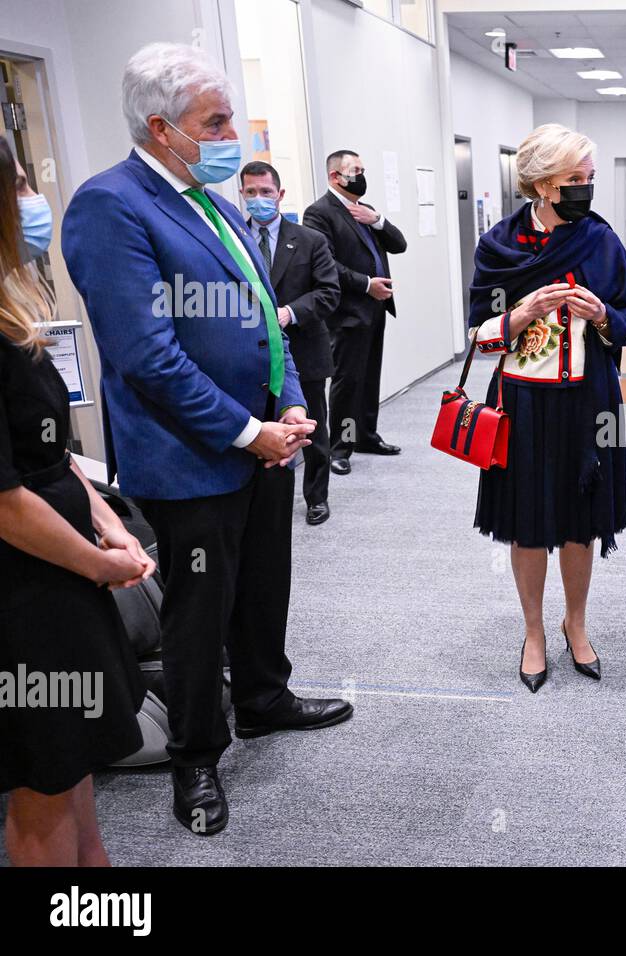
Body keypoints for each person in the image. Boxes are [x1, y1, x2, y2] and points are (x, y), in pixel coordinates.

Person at [62, 42, 352, 837]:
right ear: (161, 127)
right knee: (199, 612)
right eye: (215, 122)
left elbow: (265, 317)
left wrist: (291, 406)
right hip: (189, 457)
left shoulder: (212, 203)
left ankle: (263, 697)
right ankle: (195, 755)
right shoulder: (110, 205)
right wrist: (247, 431)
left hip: (264, 442)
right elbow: (146, 355)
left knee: (262, 583)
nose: (231, 137)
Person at [0, 137, 155, 865]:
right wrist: (99, 565)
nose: (34, 199)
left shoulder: (13, 308)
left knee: (77, 765)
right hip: (24, 592)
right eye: (19, 184)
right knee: (47, 780)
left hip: (63, 576)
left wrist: (105, 522)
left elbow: (49, 452)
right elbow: (6, 501)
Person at [468, 123, 626, 693]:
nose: (586, 188)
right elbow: (478, 337)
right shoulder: (499, 246)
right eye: (575, 178)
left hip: (588, 399)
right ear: (543, 184)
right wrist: (522, 314)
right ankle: (533, 631)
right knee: (526, 522)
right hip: (520, 402)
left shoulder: (600, 240)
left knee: (580, 520)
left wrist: (601, 316)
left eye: (589, 177)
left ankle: (576, 623)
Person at [240, 161, 341, 526]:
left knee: (310, 427)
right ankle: (266, 500)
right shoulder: (233, 239)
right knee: (260, 428)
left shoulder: (309, 240)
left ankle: (316, 496)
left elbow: (329, 292)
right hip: (251, 354)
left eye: (266, 192)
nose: (259, 199)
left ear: (280, 194)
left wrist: (290, 312)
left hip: (304, 348)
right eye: (251, 192)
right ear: (242, 194)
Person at [303, 150, 407, 475]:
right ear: (335, 176)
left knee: (369, 376)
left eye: (363, 169)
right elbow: (326, 264)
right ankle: (342, 446)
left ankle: (366, 436)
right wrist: (366, 285)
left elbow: (399, 244)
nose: (361, 176)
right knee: (347, 382)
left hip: (376, 309)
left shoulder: (365, 209)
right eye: (355, 170)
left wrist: (377, 220)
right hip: (347, 312)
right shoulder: (319, 213)